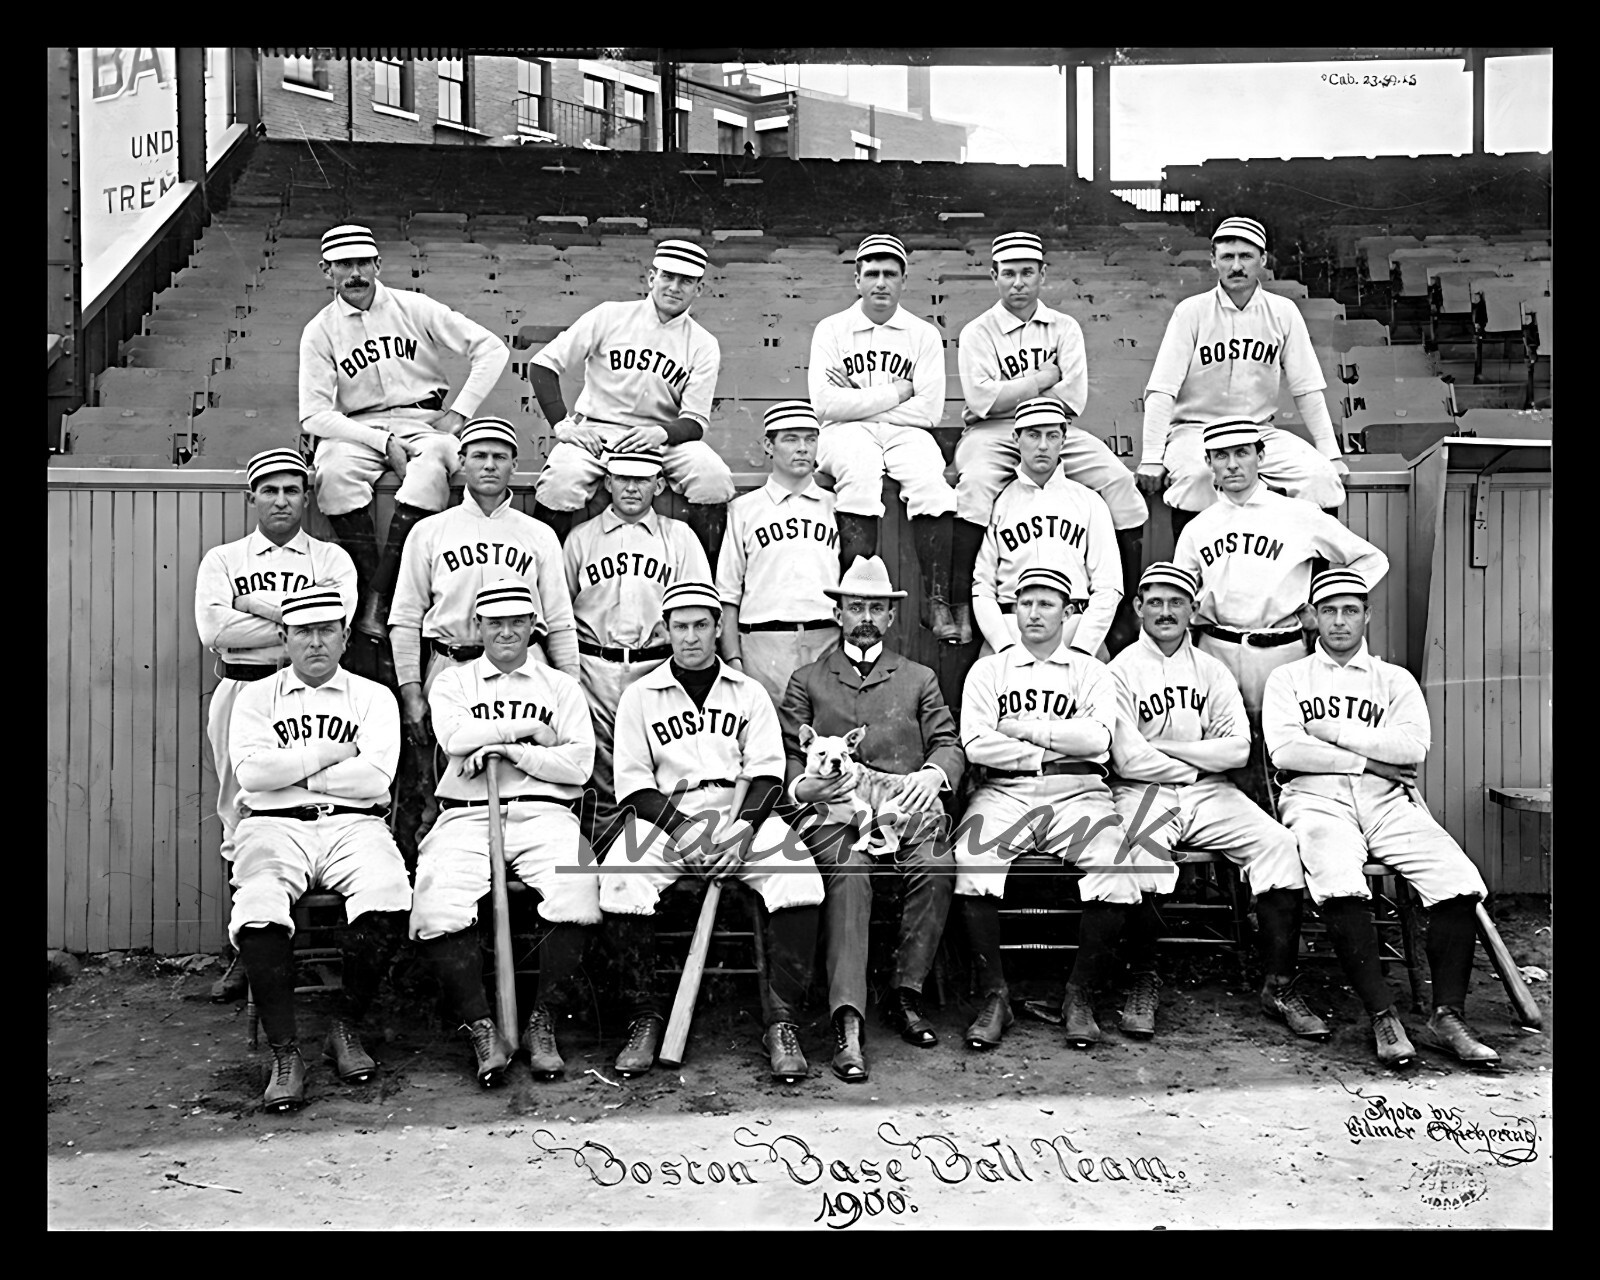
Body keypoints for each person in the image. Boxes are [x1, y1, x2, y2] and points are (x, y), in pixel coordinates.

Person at [1265, 569, 1500, 1068]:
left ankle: (1447, 1017)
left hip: (1388, 801)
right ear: (1312, 618)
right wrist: (1368, 757)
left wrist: (1330, 732)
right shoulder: (1288, 677)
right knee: (1339, 881)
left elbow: (1413, 746)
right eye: (1328, 610)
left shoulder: (1395, 679)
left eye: (1351, 610)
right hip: (1316, 799)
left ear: (1368, 615)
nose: (1340, 621)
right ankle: (1383, 1014)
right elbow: (1285, 748)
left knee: (1458, 879)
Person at [603, 581, 825, 1082]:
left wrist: (743, 832)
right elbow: (634, 786)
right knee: (621, 875)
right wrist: (685, 832)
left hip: (743, 813)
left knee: (800, 876)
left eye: (701, 624)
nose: (690, 637)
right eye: (679, 626)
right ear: (665, 630)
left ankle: (782, 1022)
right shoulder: (640, 695)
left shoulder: (749, 693)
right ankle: (644, 1018)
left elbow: (769, 775)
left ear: (718, 627)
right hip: (668, 817)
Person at [1097, 562, 1328, 1044]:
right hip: (1143, 792)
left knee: (1278, 845)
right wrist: (1194, 760)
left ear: (1193, 609)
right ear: (1137, 608)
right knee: (1140, 851)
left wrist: (1164, 752)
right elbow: (1126, 758)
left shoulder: (1212, 669)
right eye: (1155, 602)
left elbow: (1238, 750)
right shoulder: (1117, 670)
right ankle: (1143, 979)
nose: (1165, 611)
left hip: (1211, 791)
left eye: (1176, 601)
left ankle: (1280, 986)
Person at [225, 588, 413, 1111]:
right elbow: (253, 776)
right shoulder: (255, 698)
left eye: (326, 630)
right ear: (284, 638)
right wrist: (333, 754)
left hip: (354, 826)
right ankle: (286, 1055)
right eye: (303, 632)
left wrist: (295, 774)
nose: (315, 642)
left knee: (388, 893)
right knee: (260, 906)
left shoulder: (374, 697)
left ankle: (344, 1026)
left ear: (345, 637)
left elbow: (376, 776)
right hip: (273, 826)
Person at [779, 555, 964, 1081]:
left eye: (876, 608)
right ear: (838, 613)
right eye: (855, 606)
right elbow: (791, 758)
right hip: (836, 811)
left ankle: (906, 995)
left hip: (904, 805)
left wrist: (931, 775)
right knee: (851, 869)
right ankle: (848, 1019)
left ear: (889, 618)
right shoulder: (809, 680)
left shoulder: (918, 678)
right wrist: (804, 785)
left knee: (936, 861)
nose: (865, 616)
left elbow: (948, 744)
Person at [409, 580, 600, 1087]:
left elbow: (578, 765)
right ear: (478, 627)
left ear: (534, 626)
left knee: (578, 885)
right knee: (435, 897)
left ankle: (543, 1022)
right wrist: (528, 732)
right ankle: (482, 1025)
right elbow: (453, 737)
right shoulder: (454, 683)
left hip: (544, 812)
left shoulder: (560, 687)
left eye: (518, 622)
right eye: (495, 623)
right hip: (468, 812)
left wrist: (515, 754)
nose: (507, 632)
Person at [298, 224, 510, 658]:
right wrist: (379, 440)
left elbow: (492, 349)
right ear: (326, 271)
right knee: (333, 473)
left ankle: (378, 598)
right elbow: (314, 415)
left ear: (378, 265)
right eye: (343, 265)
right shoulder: (319, 330)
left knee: (434, 461)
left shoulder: (415, 307)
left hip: (424, 418)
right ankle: (374, 587)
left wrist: (460, 413)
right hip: (359, 427)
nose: (354, 274)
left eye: (362, 263)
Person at [195, 448, 357, 1001]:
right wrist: (296, 618)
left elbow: (335, 622)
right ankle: (250, 950)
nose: (281, 500)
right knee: (238, 814)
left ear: (306, 496)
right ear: (252, 497)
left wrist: (260, 607)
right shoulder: (223, 557)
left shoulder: (331, 557)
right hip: (242, 688)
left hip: (313, 692)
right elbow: (215, 631)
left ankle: (312, 945)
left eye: (291, 490)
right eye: (270, 490)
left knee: (314, 806)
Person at [953, 566, 1126, 1051]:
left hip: (1078, 792)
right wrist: (1049, 751)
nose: (1033, 612)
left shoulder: (1090, 669)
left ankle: (1079, 996)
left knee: (1116, 863)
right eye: (1024, 602)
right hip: (1004, 792)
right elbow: (976, 745)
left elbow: (1097, 741)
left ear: (1069, 613)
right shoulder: (989, 669)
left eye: (1047, 603)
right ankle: (995, 996)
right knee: (971, 856)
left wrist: (1028, 731)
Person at [1172, 420, 1386, 810]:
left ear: (1261, 457)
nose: (1233, 464)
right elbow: (1181, 596)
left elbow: (1371, 559)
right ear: (1209, 463)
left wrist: (1325, 605)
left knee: (1286, 757)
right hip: (1215, 649)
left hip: (1281, 650)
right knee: (1219, 759)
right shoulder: (1197, 528)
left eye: (1242, 453)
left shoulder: (1298, 514)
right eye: (1222, 456)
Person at [387, 417, 578, 850]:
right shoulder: (430, 531)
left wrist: (570, 685)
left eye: (499, 457)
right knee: (443, 792)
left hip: (525, 670)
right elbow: (405, 617)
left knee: (528, 789)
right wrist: (411, 691)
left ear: (514, 464)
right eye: (479, 456)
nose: (489, 465)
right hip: (452, 662)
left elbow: (561, 621)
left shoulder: (538, 534)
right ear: (462, 463)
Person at [953, 231, 1148, 650]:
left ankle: (1126, 609)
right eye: (1008, 273)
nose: (1018, 282)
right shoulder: (978, 331)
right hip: (993, 432)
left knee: (1117, 479)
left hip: (1054, 426)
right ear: (993, 276)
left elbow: (1072, 398)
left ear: (1043, 274)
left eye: (1027, 272)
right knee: (975, 484)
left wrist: (1010, 395)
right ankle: (960, 603)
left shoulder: (1065, 327)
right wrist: (1043, 378)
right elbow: (982, 402)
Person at [1138, 215, 1348, 542]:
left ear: (1263, 260)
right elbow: (1161, 391)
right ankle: (1195, 581)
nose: (1237, 266)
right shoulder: (1191, 312)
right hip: (1197, 431)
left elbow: (1307, 389)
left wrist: (1331, 454)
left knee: (1319, 478)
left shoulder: (1283, 311)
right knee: (1195, 478)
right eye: (1228, 257)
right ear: (1214, 261)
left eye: (1246, 256)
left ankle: (1309, 584)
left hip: (1258, 430)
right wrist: (1151, 457)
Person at [529, 239, 735, 563]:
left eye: (686, 281)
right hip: (598, 431)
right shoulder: (610, 315)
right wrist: (562, 425)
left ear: (700, 288)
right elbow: (542, 365)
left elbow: (695, 421)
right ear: (652, 277)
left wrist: (661, 433)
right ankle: (545, 576)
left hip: (660, 437)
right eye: (668, 276)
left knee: (713, 478)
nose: (674, 286)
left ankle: (702, 579)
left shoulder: (703, 343)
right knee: (560, 483)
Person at [808, 234, 961, 643]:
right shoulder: (832, 329)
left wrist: (855, 396)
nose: (881, 283)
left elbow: (928, 412)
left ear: (904, 280)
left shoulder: (922, 334)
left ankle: (937, 601)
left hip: (907, 431)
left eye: (890, 274)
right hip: (845, 431)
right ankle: (857, 600)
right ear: (856, 280)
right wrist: (896, 392)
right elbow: (824, 405)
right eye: (871, 273)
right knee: (858, 474)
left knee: (932, 485)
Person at [563, 448, 711, 840]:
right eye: (622, 478)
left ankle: (652, 870)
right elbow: (560, 612)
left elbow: (699, 607)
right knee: (600, 776)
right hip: (594, 667)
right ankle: (603, 867)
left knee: (658, 768)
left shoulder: (678, 537)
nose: (631, 487)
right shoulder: (581, 538)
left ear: (659, 485)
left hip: (658, 666)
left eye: (642, 479)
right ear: (607, 482)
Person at [971, 397, 1123, 659]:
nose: (1043, 446)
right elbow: (982, 586)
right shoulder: (998, 501)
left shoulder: (1089, 501)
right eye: (1033, 435)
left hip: (1074, 623)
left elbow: (1109, 585)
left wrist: (1083, 646)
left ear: (1063, 440)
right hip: (1012, 624)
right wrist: (1002, 643)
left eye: (1052, 436)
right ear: (1016, 438)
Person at [716, 401, 841, 704]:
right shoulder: (744, 509)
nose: (802, 448)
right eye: (790, 438)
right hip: (762, 643)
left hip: (826, 639)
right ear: (768, 445)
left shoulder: (837, 506)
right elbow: (727, 593)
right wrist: (733, 660)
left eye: (810, 439)